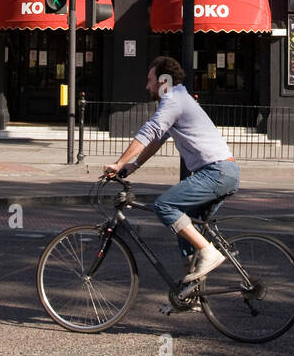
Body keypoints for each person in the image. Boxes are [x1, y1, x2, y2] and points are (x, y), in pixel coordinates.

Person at [103, 57, 240, 294]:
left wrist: (118, 162)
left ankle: (209, 252)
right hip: (220, 172)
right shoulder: (178, 100)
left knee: (164, 206)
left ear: (163, 80)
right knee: (184, 230)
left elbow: (149, 131)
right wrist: (133, 166)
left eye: (150, 80)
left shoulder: (174, 100)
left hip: (215, 172)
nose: (147, 86)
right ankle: (190, 293)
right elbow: (157, 140)